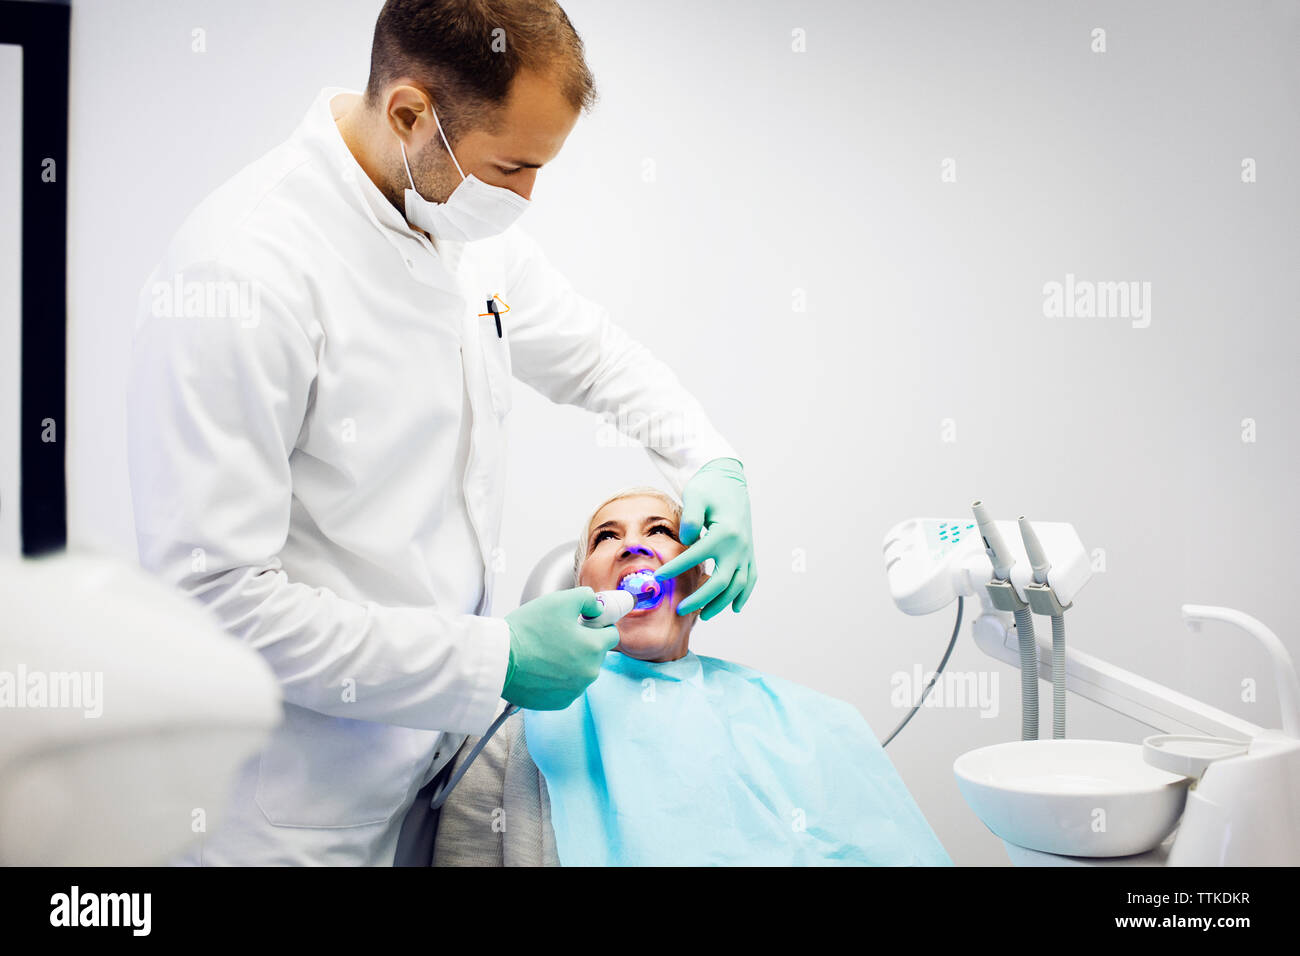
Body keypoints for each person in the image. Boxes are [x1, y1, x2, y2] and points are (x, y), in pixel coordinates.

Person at [125, 0, 756, 866]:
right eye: (512, 166)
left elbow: (599, 360)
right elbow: (213, 601)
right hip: (292, 806)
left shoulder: (461, 225)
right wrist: (488, 660)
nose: (527, 198)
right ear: (411, 115)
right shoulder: (245, 271)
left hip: (434, 768)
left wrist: (711, 458)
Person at [431, 488, 951, 866]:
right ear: (581, 582)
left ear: (703, 572)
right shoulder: (519, 719)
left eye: (658, 530)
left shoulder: (800, 718)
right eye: (605, 538)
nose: (632, 546)